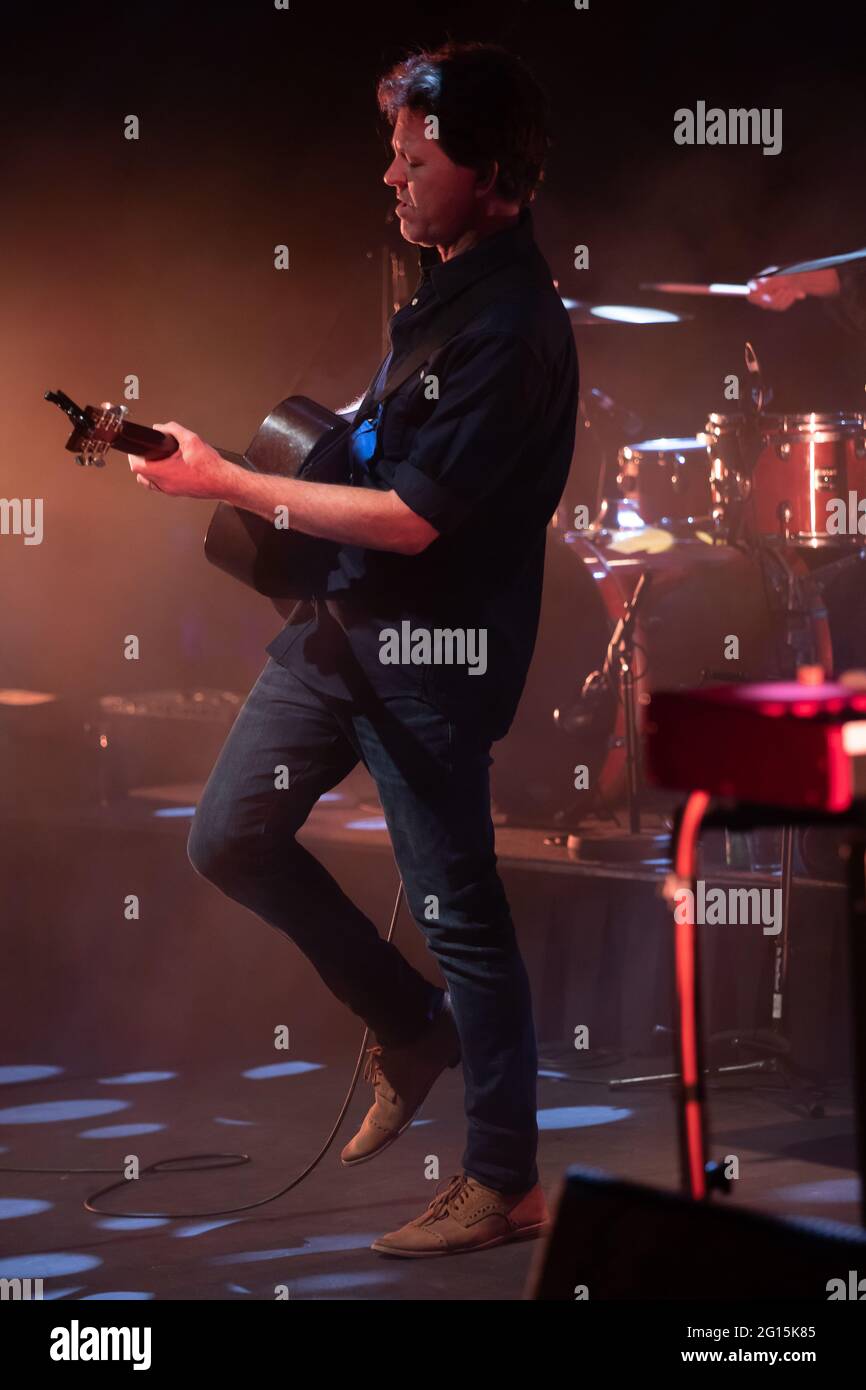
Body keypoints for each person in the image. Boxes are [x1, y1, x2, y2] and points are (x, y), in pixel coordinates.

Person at [128, 42, 578, 1258]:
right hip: (340, 634)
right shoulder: (445, 286)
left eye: (414, 158)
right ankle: (407, 1024)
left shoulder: (514, 325)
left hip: (427, 666)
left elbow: (415, 516)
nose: (389, 175)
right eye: (392, 150)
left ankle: (502, 1182)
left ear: (490, 174)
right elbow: (379, 463)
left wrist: (228, 480)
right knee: (227, 833)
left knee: (461, 912)